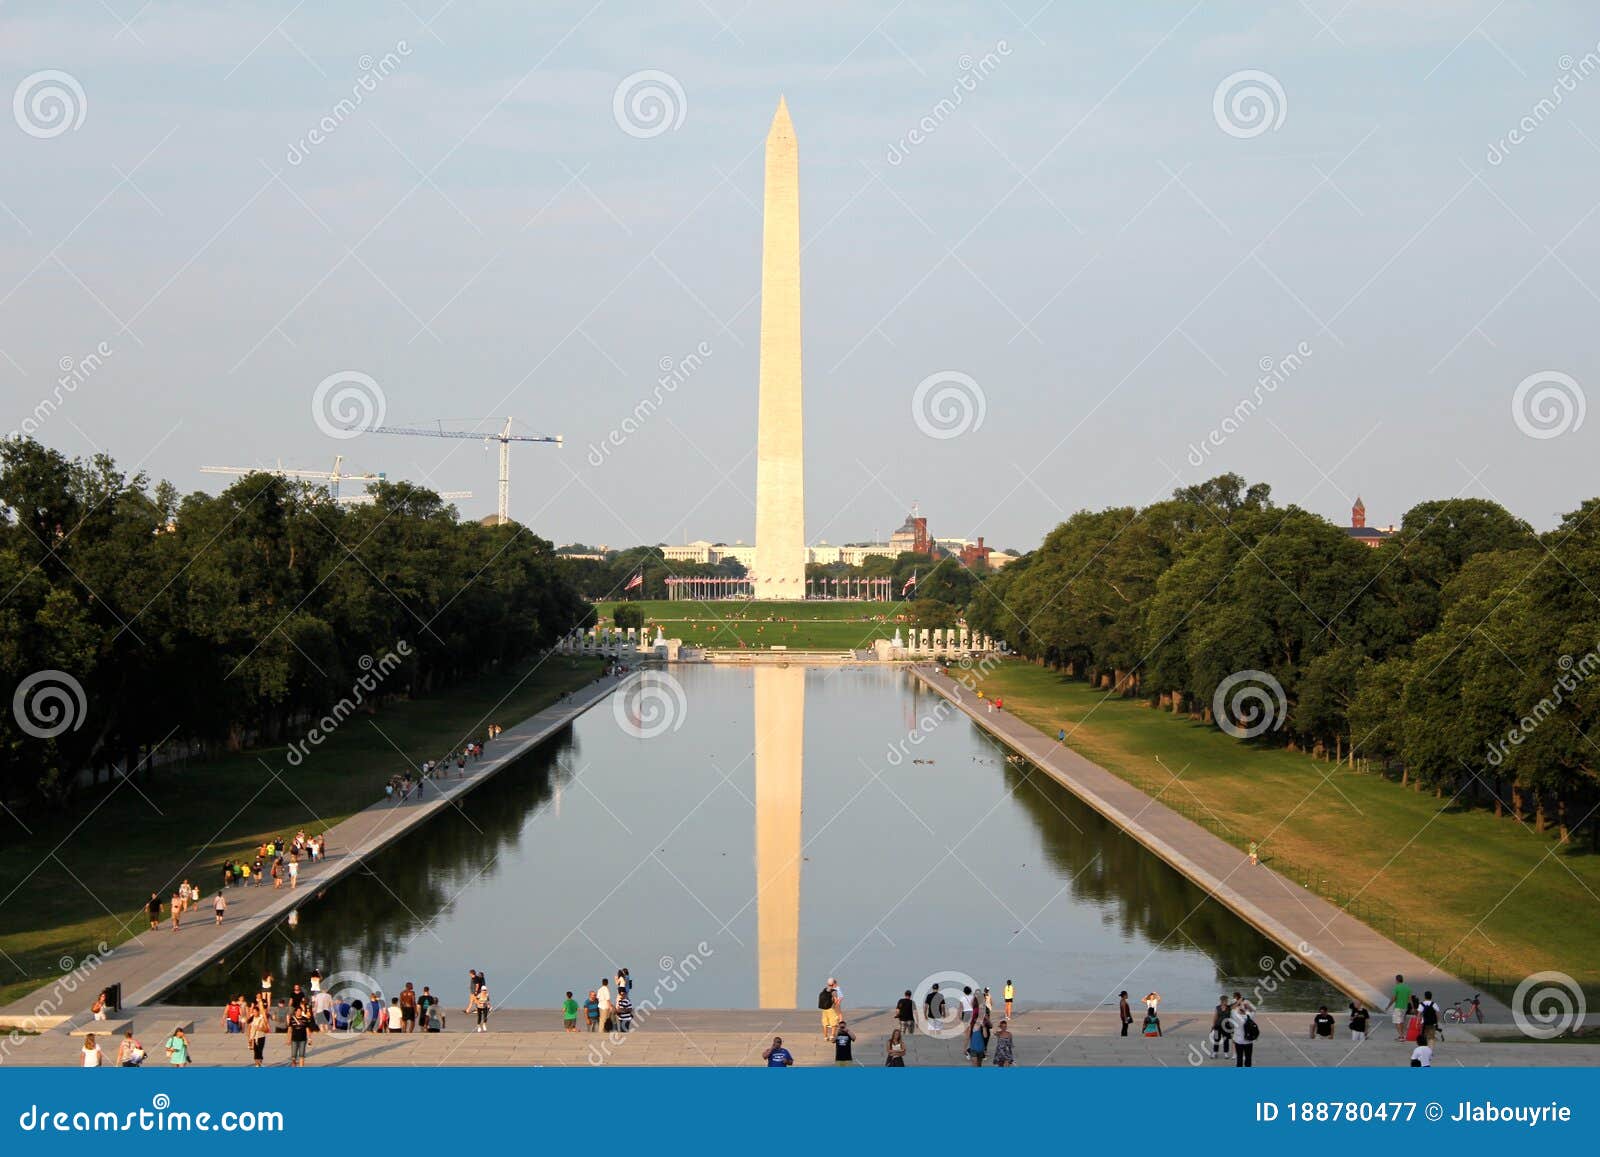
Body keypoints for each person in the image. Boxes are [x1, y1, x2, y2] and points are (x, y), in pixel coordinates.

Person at [1384, 974, 1411, 1041]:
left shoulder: (1397, 987)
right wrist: (1413, 1008)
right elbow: (1410, 998)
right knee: (1401, 1021)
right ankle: (1402, 1035)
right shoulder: (1407, 987)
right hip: (1405, 1007)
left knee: (1396, 1022)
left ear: (1397, 980)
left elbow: (1393, 998)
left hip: (1398, 1007)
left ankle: (1401, 1036)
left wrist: (1388, 1006)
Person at [1232, 1000, 1257, 1067]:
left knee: (1239, 1058)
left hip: (1239, 1041)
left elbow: (1232, 1009)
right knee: (1248, 1058)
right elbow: (1254, 1011)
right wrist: (1247, 1005)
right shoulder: (1249, 1016)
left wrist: (1239, 1002)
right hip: (1248, 1040)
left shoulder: (1236, 1016)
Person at [248, 1002, 270, 1066]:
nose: (254, 1013)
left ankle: (259, 1064)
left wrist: (260, 1029)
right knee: (255, 1052)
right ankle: (257, 1064)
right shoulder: (251, 1019)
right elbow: (249, 1030)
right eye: (253, 1012)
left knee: (260, 1051)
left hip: (261, 1037)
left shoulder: (262, 1019)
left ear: (258, 1012)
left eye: (255, 1012)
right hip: (253, 1038)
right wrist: (249, 1038)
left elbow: (267, 1030)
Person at [1211, 994, 1232, 1058]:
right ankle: (1215, 1052)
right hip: (1217, 1026)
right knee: (1216, 1039)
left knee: (1226, 1040)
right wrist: (1213, 1025)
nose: (1227, 1001)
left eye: (1227, 1000)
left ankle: (1226, 1053)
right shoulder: (1217, 1007)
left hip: (1226, 1027)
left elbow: (1237, 1004)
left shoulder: (1229, 1007)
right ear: (1222, 1001)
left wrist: (1240, 998)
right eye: (1226, 1000)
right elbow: (1215, 1016)